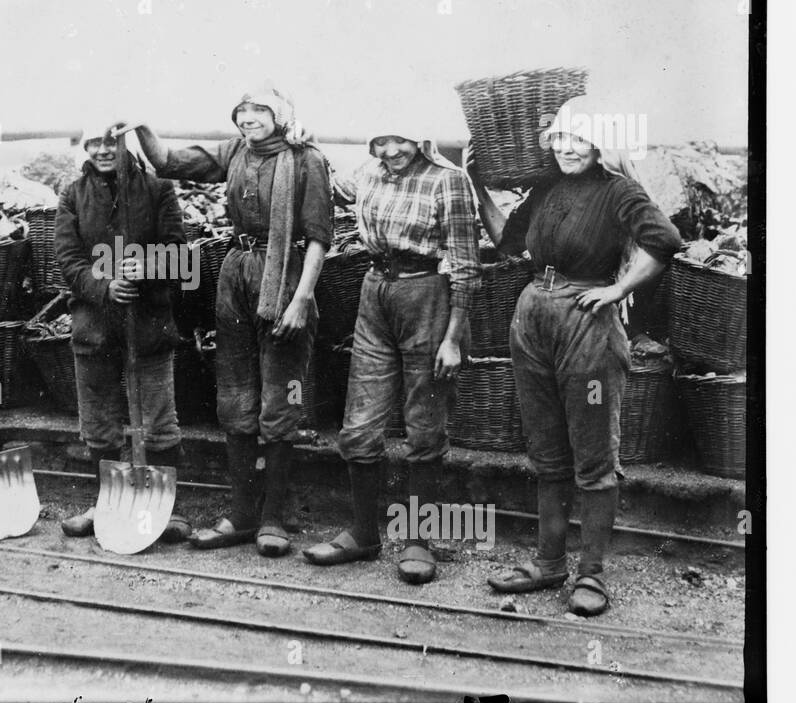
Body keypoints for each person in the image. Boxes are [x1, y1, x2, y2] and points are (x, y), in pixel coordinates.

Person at [469, 97, 682, 615]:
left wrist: (617, 290)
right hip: (534, 316)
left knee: (592, 453)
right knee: (546, 450)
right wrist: (478, 187)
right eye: (560, 136)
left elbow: (665, 239)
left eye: (579, 138)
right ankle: (547, 563)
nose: (566, 147)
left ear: (600, 143)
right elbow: (508, 243)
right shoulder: (546, 188)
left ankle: (592, 574)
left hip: (587, 323)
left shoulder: (619, 192)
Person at [136, 85, 332, 557]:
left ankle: (273, 518)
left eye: (260, 111)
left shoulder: (306, 159)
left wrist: (301, 299)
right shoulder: (233, 152)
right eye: (242, 112)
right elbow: (168, 162)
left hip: (282, 274)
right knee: (236, 395)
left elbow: (319, 236)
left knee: (280, 399)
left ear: (281, 115)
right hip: (235, 275)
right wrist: (141, 127)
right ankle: (243, 515)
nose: (249, 119)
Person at [305, 136, 481, 583]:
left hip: (425, 294)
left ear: (419, 139)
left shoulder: (449, 181)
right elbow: (336, 187)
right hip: (374, 291)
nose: (390, 151)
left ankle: (418, 540)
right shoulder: (369, 174)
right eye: (381, 142)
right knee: (360, 421)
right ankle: (364, 532)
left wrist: (453, 338)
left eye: (399, 141)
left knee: (424, 421)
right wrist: (309, 146)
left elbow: (464, 264)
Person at [53, 123, 190, 542]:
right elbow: (68, 258)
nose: (102, 150)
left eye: (109, 141)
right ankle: (105, 504)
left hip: (147, 324)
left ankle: (167, 508)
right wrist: (105, 285)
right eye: (93, 142)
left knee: (158, 420)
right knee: (99, 423)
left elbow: (181, 255)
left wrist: (146, 270)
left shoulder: (157, 189)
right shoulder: (73, 194)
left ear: (123, 143)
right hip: (95, 325)